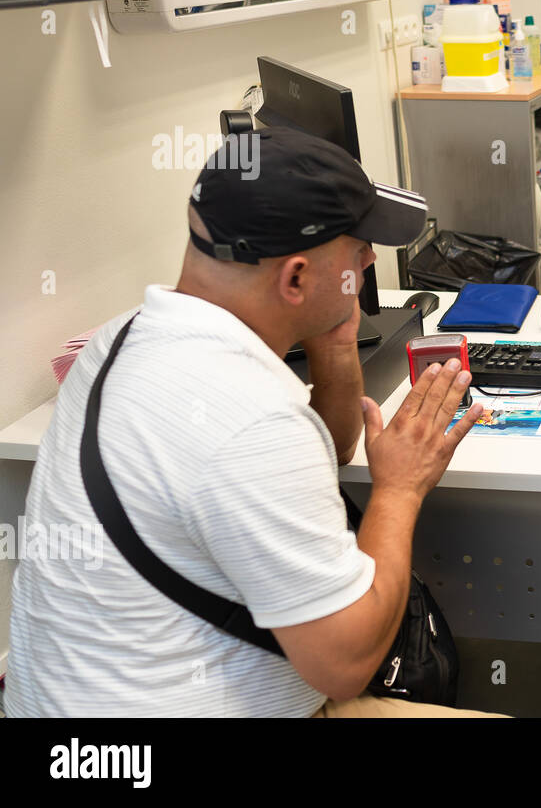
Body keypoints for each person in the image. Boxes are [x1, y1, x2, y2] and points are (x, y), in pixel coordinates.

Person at [6, 127, 502, 717]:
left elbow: (328, 450)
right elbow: (346, 665)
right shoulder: (251, 419)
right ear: (294, 278)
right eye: (358, 247)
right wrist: (400, 487)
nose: (371, 258)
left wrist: (336, 340)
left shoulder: (118, 339)